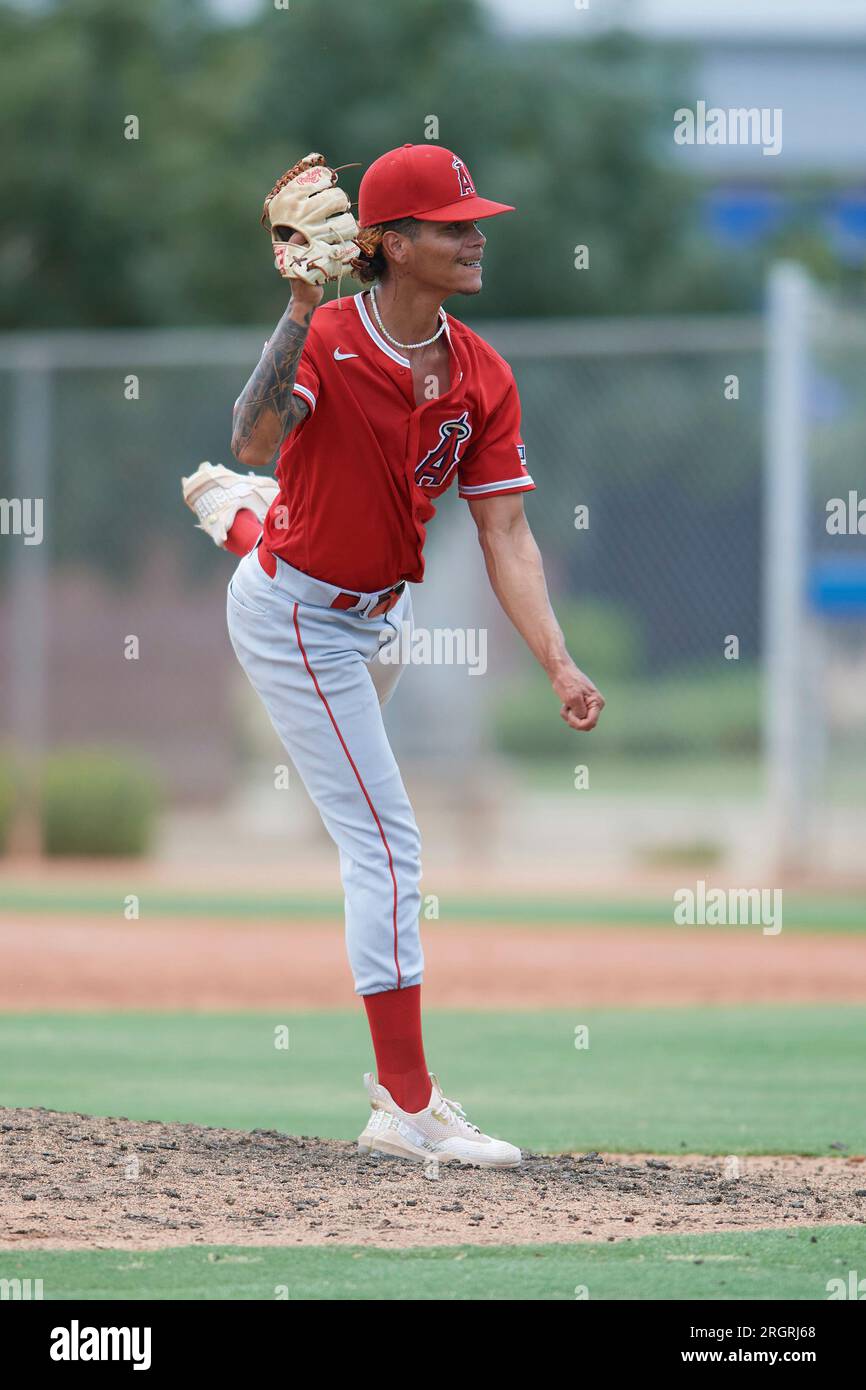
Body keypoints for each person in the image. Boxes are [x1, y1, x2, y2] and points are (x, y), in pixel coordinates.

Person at [182, 144, 604, 1168]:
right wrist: (291, 305)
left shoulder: (480, 373)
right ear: (391, 243)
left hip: (376, 618)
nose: (474, 238)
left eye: (474, 221)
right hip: (296, 621)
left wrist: (555, 660)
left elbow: (504, 535)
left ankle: (247, 527)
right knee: (385, 842)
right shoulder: (329, 333)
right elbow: (251, 431)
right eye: (453, 224)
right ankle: (404, 1105)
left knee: (302, 540)